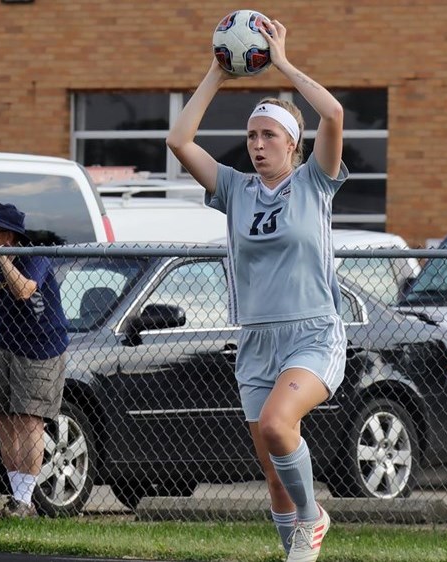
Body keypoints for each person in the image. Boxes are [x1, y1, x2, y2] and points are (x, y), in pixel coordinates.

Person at [166, 16, 347, 562]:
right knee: (271, 469)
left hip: (312, 333)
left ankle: (313, 520)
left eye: (269, 135)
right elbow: (178, 140)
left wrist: (284, 64)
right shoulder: (236, 189)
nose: (258, 144)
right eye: (251, 135)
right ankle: (295, 548)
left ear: (292, 145)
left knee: (277, 424)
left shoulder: (314, 182)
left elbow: (333, 114)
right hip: (256, 341)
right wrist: (216, 75)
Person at [0, 203, 69, 519]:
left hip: (40, 348)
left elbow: (23, 291)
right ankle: (17, 499)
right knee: (3, 420)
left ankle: (24, 502)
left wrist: (0, 255)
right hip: (6, 345)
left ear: (7, 235)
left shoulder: (33, 256)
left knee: (29, 419)